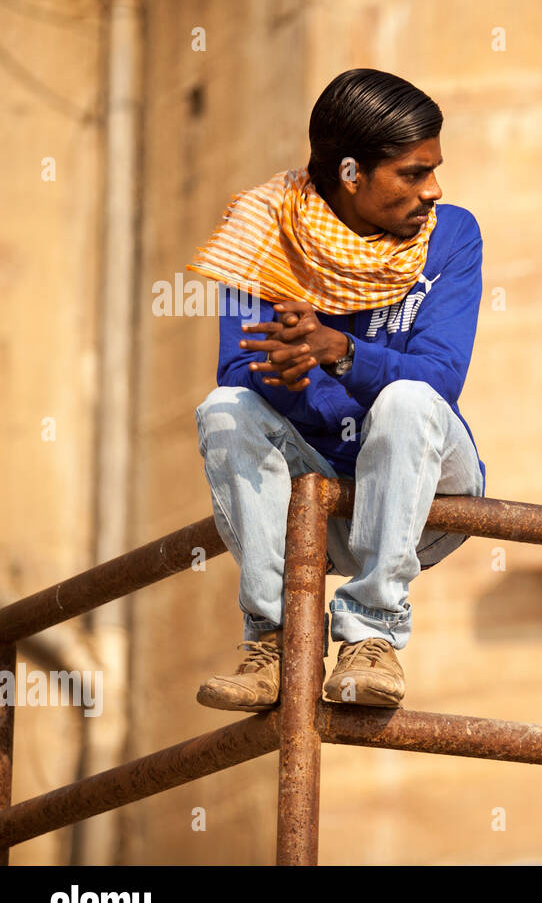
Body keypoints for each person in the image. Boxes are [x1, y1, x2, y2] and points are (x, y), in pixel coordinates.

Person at [188, 68, 486, 712]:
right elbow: (240, 378)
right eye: (412, 173)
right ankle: (275, 639)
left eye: (433, 169)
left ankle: (372, 634)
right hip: (316, 506)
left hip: (425, 497)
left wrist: (342, 354)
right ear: (351, 173)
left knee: (407, 401)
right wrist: (288, 380)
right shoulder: (262, 231)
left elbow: (439, 380)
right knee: (224, 410)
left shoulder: (452, 235)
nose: (432, 190)